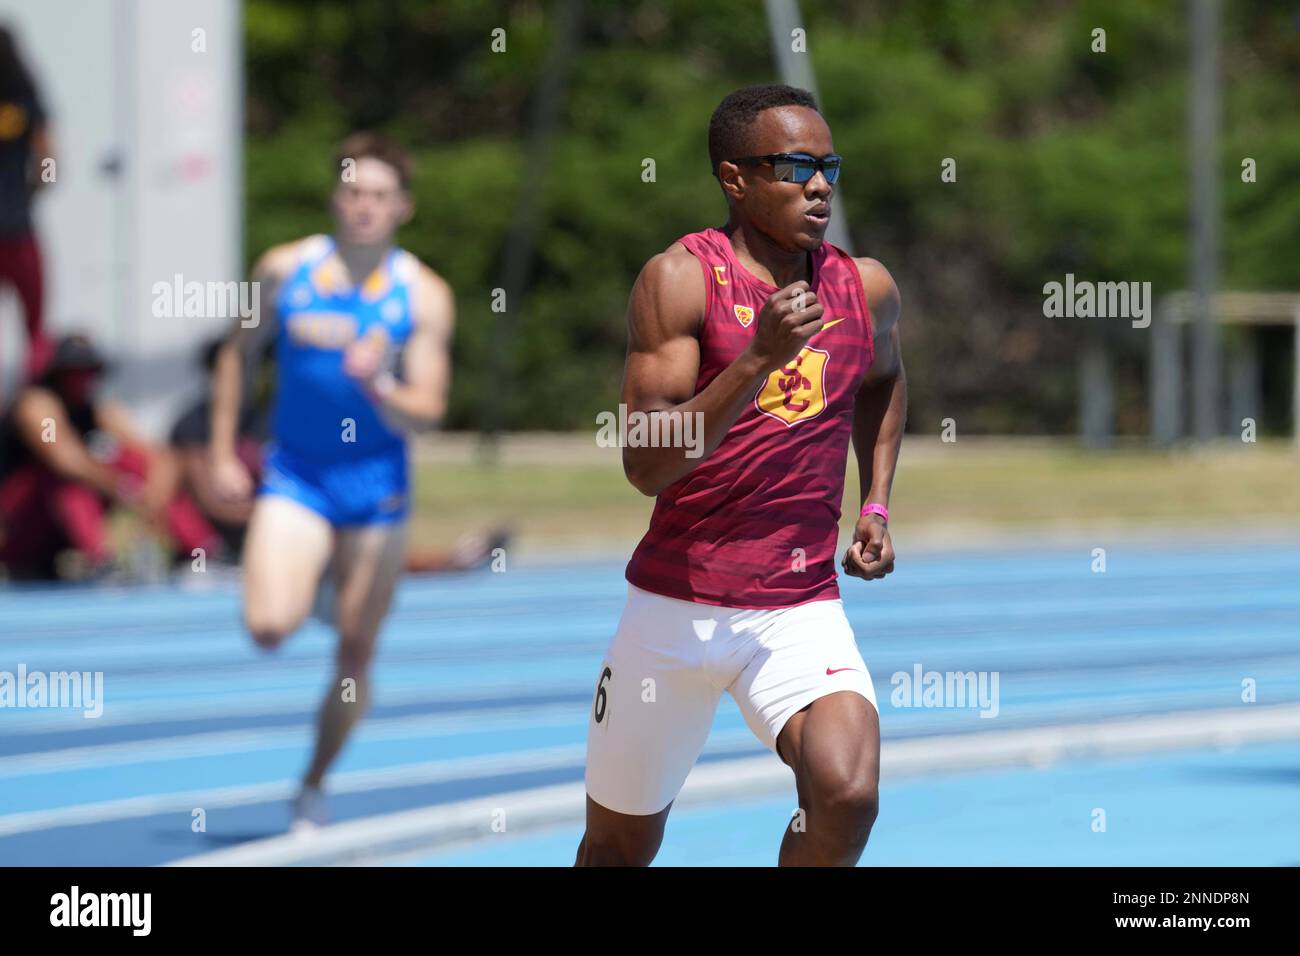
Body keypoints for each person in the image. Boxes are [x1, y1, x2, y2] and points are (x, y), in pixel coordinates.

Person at [576, 85, 907, 866]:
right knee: (617, 850)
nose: (819, 184)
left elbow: (886, 380)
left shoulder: (865, 287)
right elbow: (646, 462)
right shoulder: (681, 280)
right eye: (794, 167)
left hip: (796, 607)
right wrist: (757, 359)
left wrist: (878, 503)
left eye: (829, 165)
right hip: (673, 612)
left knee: (847, 792)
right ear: (735, 180)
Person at [208, 132, 455, 829]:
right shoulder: (286, 269)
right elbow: (236, 353)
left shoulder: (423, 294)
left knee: (354, 654)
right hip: (298, 475)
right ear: (334, 198)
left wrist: (379, 382)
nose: (364, 207)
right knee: (266, 626)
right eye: (353, 192)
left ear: (401, 206)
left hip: (377, 490)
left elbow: (429, 412)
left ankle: (312, 784)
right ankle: (313, 582)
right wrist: (225, 450)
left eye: (379, 195)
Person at [0, 334, 216, 580]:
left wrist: (153, 496)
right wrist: (124, 490)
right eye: (74, 371)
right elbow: (65, 459)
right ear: (57, 373)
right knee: (65, 478)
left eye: (89, 370)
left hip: (61, 532)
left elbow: (158, 457)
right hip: (19, 527)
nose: (83, 378)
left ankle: (202, 553)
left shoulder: (98, 409)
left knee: (133, 463)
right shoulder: (36, 404)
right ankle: (101, 562)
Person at [0, 24, 54, 377]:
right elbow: (49, 164)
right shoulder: (28, 104)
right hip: (18, 230)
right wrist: (33, 192)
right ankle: (33, 396)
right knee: (35, 329)